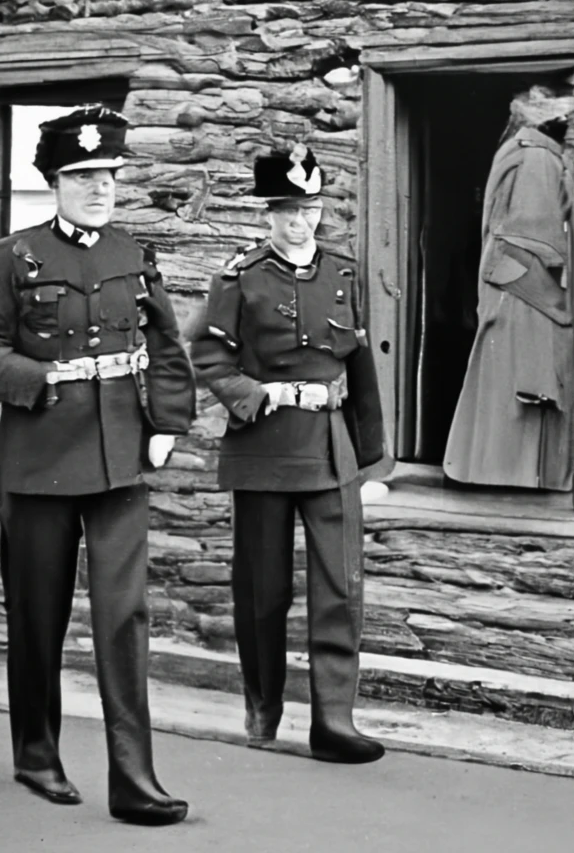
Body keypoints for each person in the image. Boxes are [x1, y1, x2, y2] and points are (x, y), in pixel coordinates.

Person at [0, 105, 196, 826]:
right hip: (39, 463)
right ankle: (37, 753)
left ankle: (135, 779)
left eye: (109, 176)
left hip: (120, 457)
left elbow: (163, 346)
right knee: (39, 615)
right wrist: (36, 382)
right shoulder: (13, 257)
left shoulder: (133, 252)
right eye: (82, 176)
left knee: (125, 617)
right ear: (52, 183)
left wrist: (168, 422)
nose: (99, 188)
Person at [190, 144, 385, 763]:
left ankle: (334, 721)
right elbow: (208, 356)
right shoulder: (238, 278)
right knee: (262, 590)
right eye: (288, 210)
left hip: (331, 448)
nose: (301, 221)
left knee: (339, 586)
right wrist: (256, 393)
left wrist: (371, 451)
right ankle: (263, 707)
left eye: (310, 208)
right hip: (265, 446)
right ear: (267, 214)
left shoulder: (345, 272)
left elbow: (360, 363)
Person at [443, 85, 574, 491]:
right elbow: (532, 239)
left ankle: (490, 473)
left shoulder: (522, 150)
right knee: (523, 383)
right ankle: (508, 479)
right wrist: (562, 305)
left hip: (511, 281)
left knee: (507, 383)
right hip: (524, 285)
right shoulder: (538, 157)